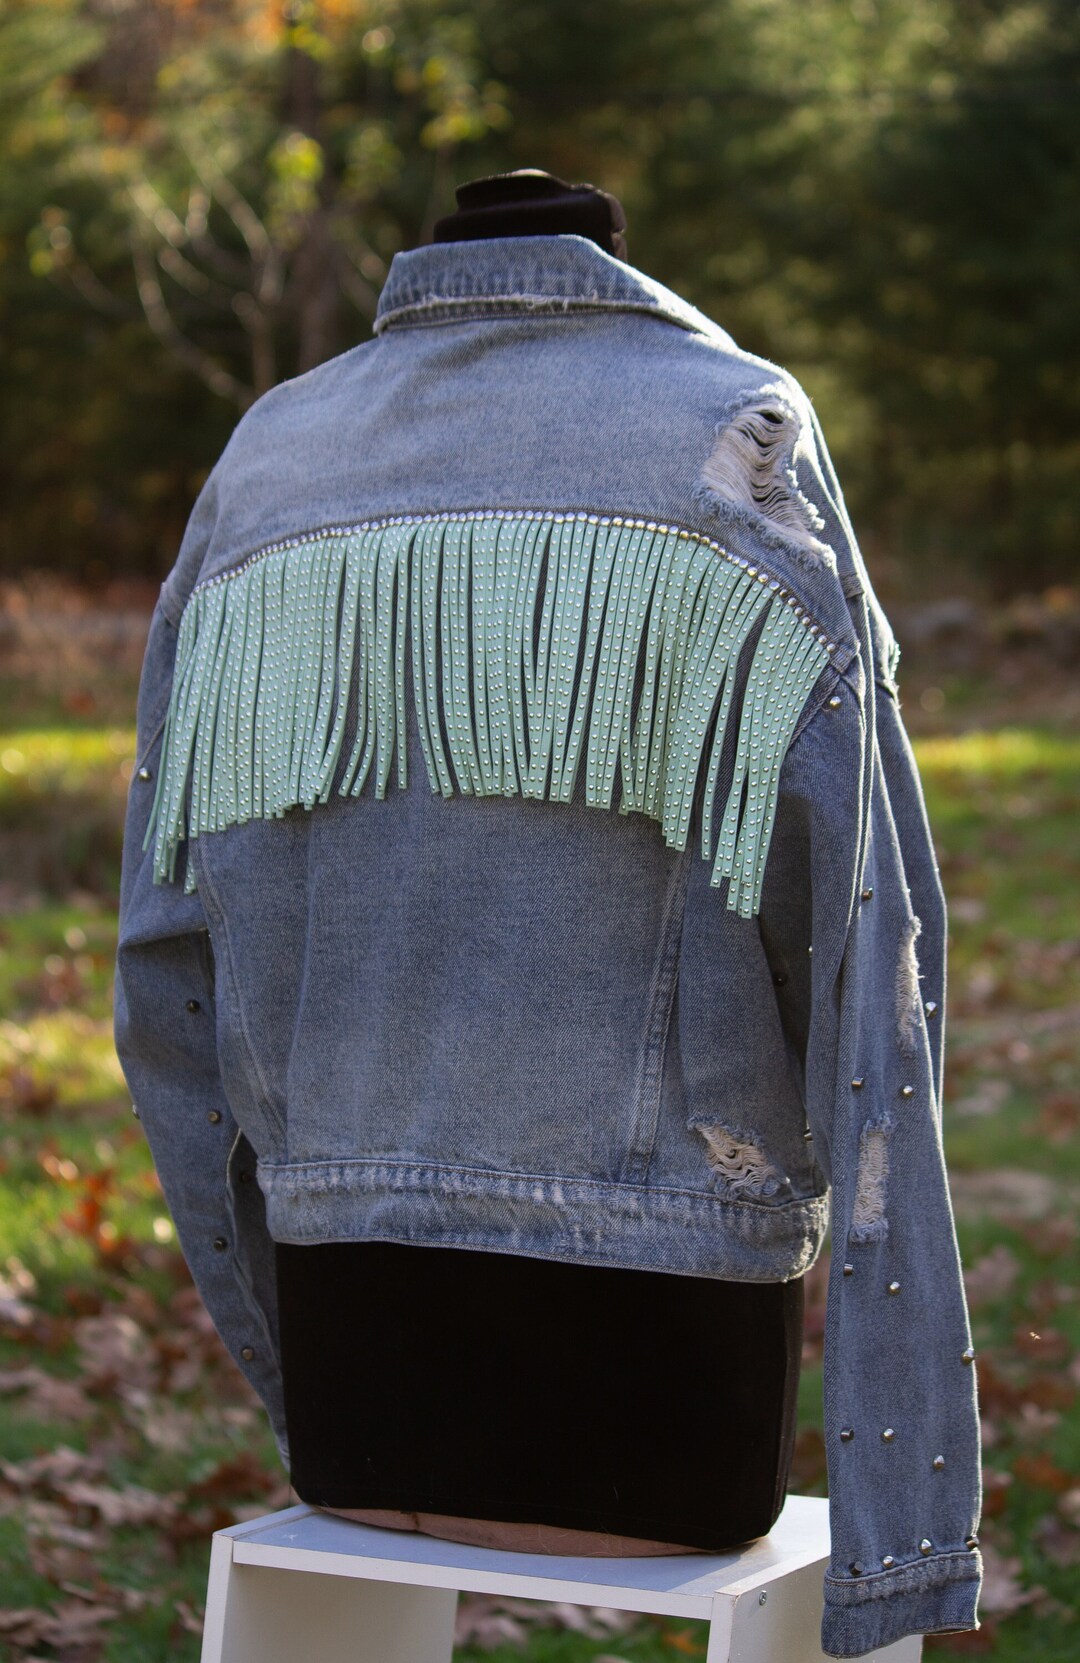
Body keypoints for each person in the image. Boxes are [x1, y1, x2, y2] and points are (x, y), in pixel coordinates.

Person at [115, 169, 982, 1658]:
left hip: (359, 1364)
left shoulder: (271, 458)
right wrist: (905, 1510)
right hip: (671, 1364)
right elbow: (862, 913)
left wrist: (274, 1317)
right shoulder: (736, 428)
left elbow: (163, 953)